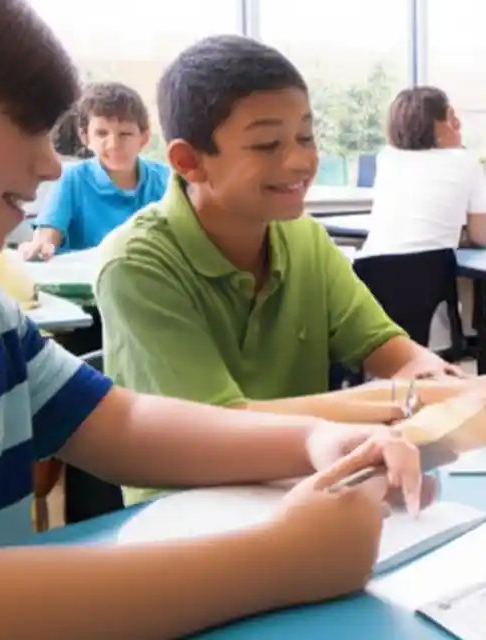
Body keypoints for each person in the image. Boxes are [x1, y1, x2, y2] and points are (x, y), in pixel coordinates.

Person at [0, 0, 427, 637]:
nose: (50, 164)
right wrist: (281, 560)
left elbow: (117, 423)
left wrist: (314, 440)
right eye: (27, 128)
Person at [94, 36, 463, 504]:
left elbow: (391, 349)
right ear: (190, 162)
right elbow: (222, 424)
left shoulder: (303, 238)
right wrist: (399, 400)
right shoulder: (136, 265)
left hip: (306, 491)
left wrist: (437, 379)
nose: (301, 161)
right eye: (267, 144)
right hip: (186, 515)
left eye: (306, 137)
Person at [19, 82, 170, 259]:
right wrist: (41, 246)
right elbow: (48, 235)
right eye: (101, 133)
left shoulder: (165, 179)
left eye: (125, 134)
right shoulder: (72, 178)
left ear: (144, 139)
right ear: (86, 137)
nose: (114, 145)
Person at [363, 86, 486, 254]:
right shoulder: (466, 162)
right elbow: (480, 237)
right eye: (451, 118)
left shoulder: (386, 158)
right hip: (431, 274)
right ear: (433, 126)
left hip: (370, 272)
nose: (459, 125)